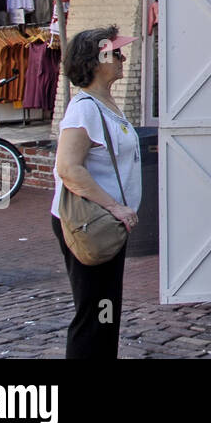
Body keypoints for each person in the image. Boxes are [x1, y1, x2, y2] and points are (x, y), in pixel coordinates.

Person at [50, 26, 141, 359]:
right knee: (95, 311)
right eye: (115, 53)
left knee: (106, 309)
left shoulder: (105, 102)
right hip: (90, 222)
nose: (122, 57)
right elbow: (69, 168)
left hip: (107, 223)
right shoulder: (84, 108)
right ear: (97, 60)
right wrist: (115, 207)